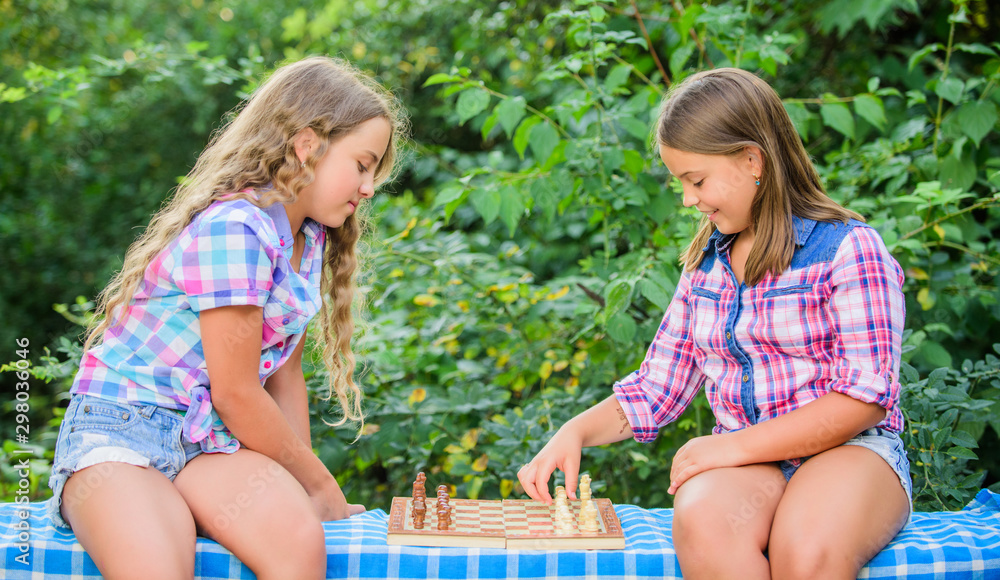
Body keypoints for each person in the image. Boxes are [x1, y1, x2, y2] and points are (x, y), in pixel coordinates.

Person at [518, 68, 911, 579]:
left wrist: (729, 446)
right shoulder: (706, 266)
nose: (687, 199)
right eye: (680, 182)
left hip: (852, 454)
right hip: (752, 467)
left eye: (696, 180)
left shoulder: (851, 249)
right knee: (703, 521)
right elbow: (656, 387)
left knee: (806, 548)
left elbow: (863, 400)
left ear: (752, 161)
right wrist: (574, 432)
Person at [47, 56, 407, 579]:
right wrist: (321, 484)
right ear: (308, 146)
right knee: (157, 563)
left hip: (210, 444)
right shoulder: (237, 228)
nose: (370, 186)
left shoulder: (307, 243)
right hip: (122, 433)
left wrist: (306, 487)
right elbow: (236, 392)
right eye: (363, 164)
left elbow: (284, 376)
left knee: (299, 544)